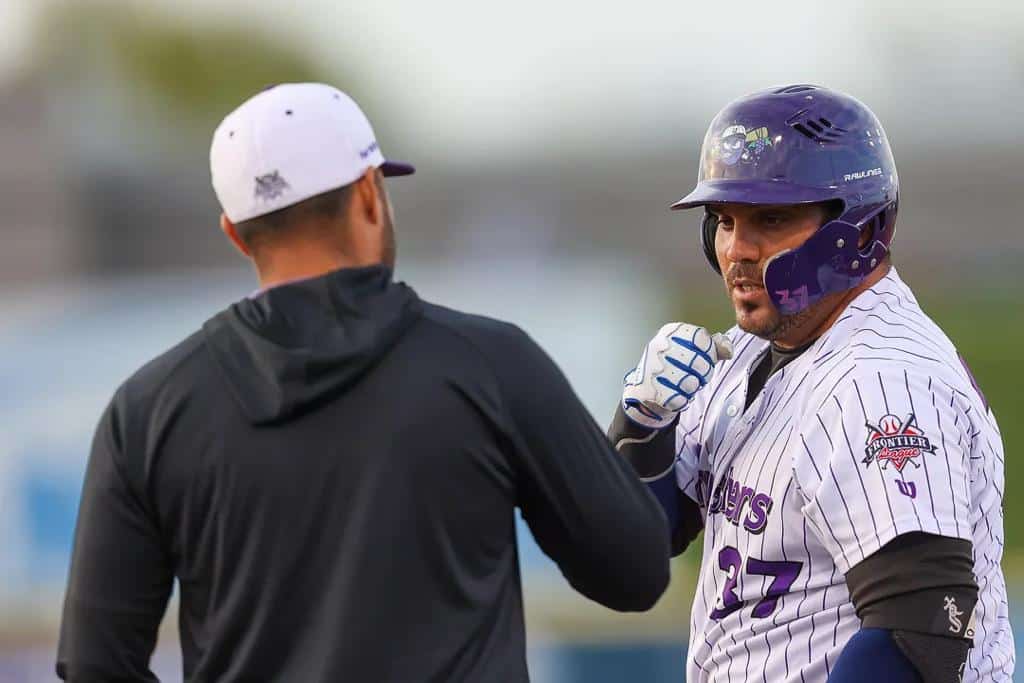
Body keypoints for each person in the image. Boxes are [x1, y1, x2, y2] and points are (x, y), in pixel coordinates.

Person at [57, 82, 671, 683]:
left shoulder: (148, 409)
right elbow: (633, 573)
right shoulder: (491, 363)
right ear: (369, 195)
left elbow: (93, 662)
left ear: (236, 232)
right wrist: (641, 432)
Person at [608, 84, 1014, 682]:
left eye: (770, 219)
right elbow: (634, 551)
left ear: (860, 225)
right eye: (723, 221)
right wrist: (642, 426)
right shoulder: (746, 351)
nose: (737, 250)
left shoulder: (883, 380)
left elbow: (922, 629)